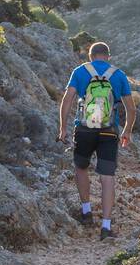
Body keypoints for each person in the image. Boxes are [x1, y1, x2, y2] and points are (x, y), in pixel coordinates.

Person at [57, 41, 135, 240]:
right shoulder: (118, 75)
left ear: (90, 56)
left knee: (81, 167)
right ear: (108, 56)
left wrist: (63, 128)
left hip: (84, 129)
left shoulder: (80, 71)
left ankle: (86, 212)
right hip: (109, 131)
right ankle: (106, 227)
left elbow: (67, 100)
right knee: (107, 177)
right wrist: (127, 131)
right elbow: (130, 108)